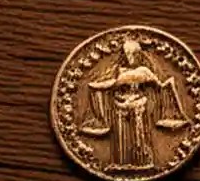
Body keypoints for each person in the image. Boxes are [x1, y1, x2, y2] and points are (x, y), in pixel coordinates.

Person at [80, 39, 188, 171]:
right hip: (120, 107)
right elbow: (111, 83)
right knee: (120, 138)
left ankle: (143, 164)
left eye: (131, 54)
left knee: (139, 137)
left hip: (138, 106)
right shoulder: (118, 70)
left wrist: (162, 85)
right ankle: (120, 164)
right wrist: (101, 87)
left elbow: (157, 85)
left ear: (137, 54)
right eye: (127, 54)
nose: (129, 57)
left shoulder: (144, 71)